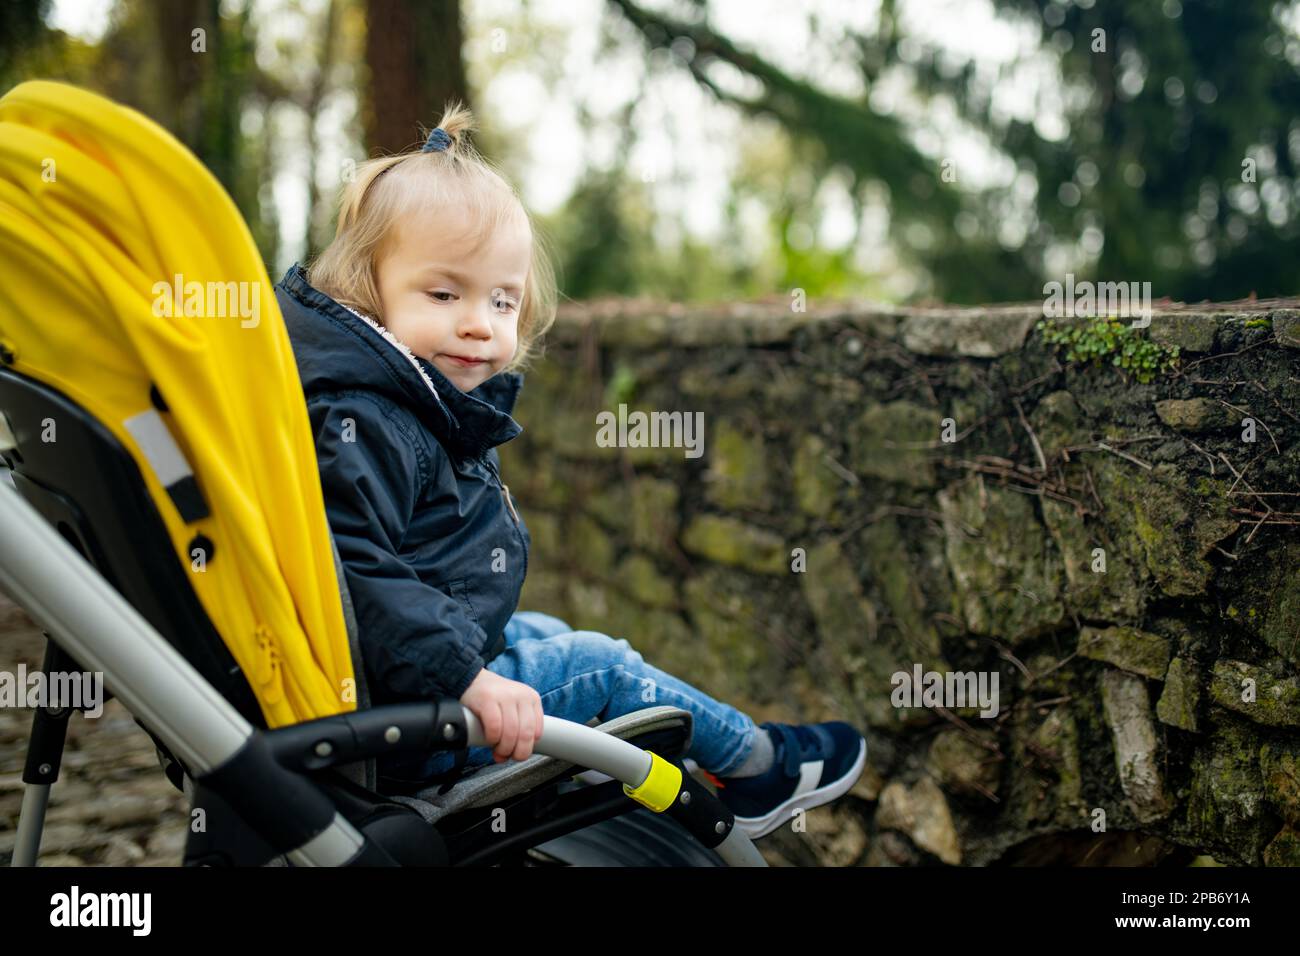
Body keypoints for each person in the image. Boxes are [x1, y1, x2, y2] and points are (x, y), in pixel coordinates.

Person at [275, 102, 866, 839]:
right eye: (443, 293)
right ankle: (757, 767)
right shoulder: (367, 420)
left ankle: (697, 761)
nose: (479, 323)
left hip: (397, 685)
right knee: (601, 665)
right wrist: (467, 679)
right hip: (399, 731)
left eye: (502, 300)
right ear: (366, 288)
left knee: (546, 627)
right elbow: (360, 574)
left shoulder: (397, 403)